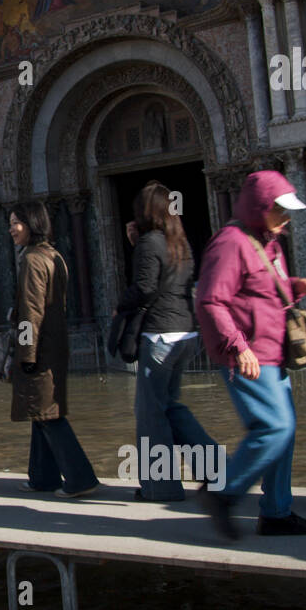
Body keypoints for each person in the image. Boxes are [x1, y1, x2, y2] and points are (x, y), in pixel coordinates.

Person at [195, 170, 306, 539]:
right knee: (275, 427)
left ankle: (276, 512)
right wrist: (239, 347)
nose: (286, 218)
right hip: (248, 356)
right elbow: (210, 300)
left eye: (289, 211)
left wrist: (296, 286)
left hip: (272, 352)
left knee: (283, 432)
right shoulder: (230, 242)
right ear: (261, 206)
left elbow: (262, 288)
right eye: (280, 210)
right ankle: (222, 494)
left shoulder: (267, 241)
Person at [120, 181, 219, 501]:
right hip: (185, 334)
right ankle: (216, 471)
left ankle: (160, 487)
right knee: (170, 408)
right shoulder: (181, 242)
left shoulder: (151, 243)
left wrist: (120, 303)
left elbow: (146, 288)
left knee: (150, 414)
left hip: (160, 336)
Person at [7, 201, 100, 498]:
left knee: (48, 413)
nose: (10, 230)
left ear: (31, 223)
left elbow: (31, 312)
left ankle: (80, 477)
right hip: (55, 343)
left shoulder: (33, 260)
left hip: (40, 346)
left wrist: (26, 354)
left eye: (15, 223)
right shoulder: (53, 255)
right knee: (41, 408)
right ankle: (43, 477)